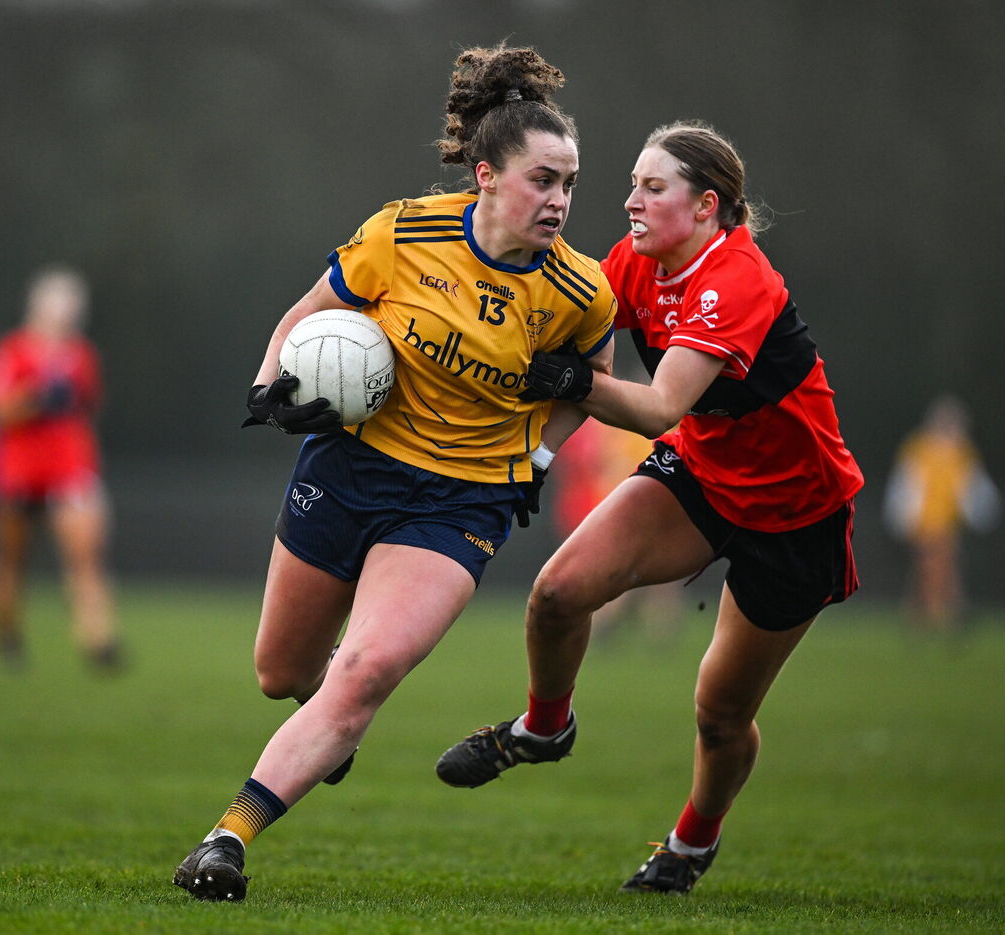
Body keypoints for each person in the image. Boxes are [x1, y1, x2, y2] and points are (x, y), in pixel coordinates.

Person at [171, 43, 616, 902]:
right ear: (485, 175)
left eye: (569, 183)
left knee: (365, 672)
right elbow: (312, 313)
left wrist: (539, 458)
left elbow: (586, 386)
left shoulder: (579, 290)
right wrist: (269, 390)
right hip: (350, 465)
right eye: (541, 180)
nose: (559, 200)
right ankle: (331, 716)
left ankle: (225, 841)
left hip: (459, 503)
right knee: (282, 673)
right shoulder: (403, 230)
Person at [435, 122, 864, 895]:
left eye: (651, 187)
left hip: (798, 514)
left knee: (719, 714)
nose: (629, 201)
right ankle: (543, 725)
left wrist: (565, 382)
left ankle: (691, 843)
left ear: (706, 206)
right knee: (559, 593)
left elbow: (661, 405)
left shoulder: (736, 279)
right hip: (702, 476)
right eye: (631, 183)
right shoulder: (633, 263)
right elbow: (560, 325)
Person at [0, 265, 120, 670]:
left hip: (69, 467)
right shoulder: (12, 350)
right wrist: (36, 398)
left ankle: (99, 641)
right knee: (10, 560)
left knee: (86, 555)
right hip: (18, 469)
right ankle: (7, 635)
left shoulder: (82, 355)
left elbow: (89, 407)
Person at [551, 417, 685, 642]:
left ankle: (620, 624)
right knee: (636, 573)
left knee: (636, 573)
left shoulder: (615, 430)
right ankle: (635, 625)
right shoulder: (614, 431)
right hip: (609, 505)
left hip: (622, 505)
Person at [883, 394, 999, 633]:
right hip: (924, 522)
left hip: (947, 521)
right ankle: (943, 613)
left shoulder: (962, 453)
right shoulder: (918, 450)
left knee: (939, 567)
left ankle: (932, 615)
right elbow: (906, 484)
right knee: (932, 567)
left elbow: (970, 487)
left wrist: (977, 513)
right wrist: (903, 516)